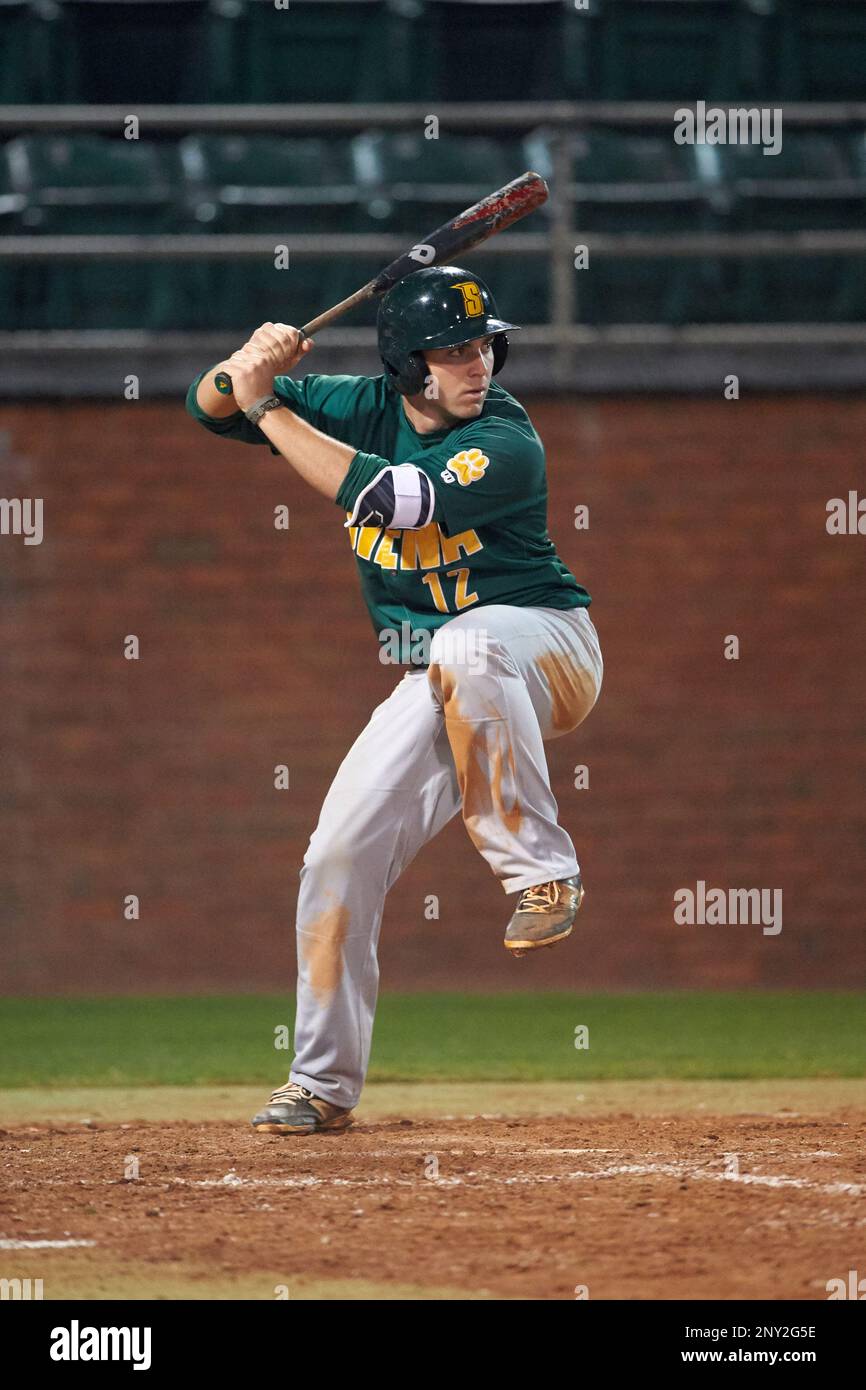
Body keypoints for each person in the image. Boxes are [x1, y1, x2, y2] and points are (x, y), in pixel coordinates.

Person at [185, 265, 603, 1136]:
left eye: (483, 345)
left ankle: (543, 875)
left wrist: (269, 406)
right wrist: (249, 364)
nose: (477, 363)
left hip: (545, 649)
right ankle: (320, 1083)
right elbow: (204, 406)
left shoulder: (506, 435)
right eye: (453, 350)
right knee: (337, 855)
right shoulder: (358, 404)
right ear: (406, 363)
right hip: (445, 676)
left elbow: (392, 502)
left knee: (466, 642)